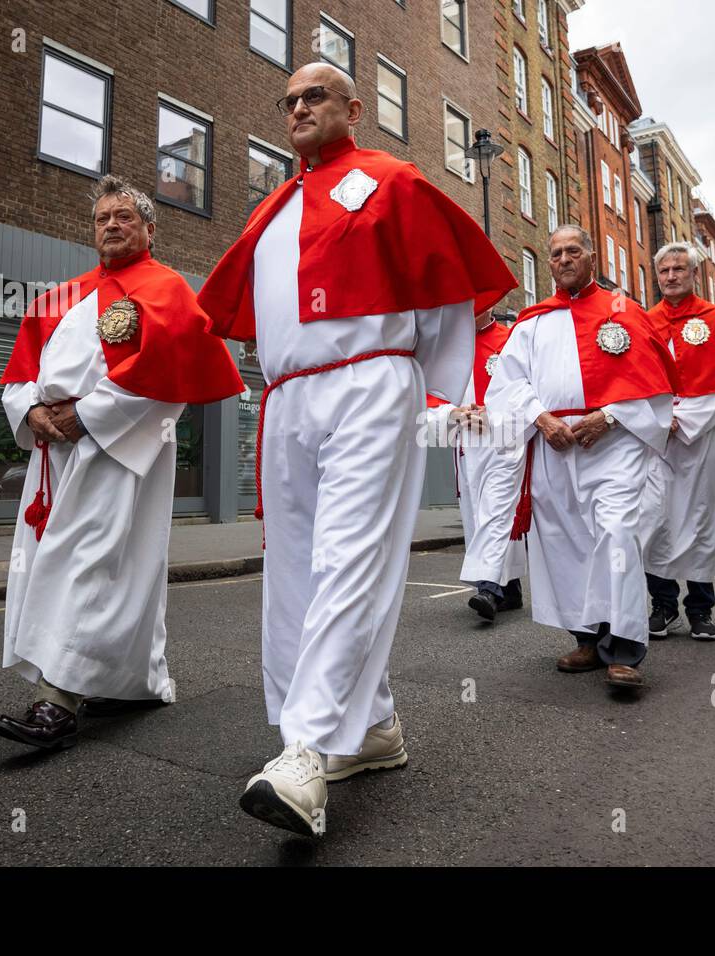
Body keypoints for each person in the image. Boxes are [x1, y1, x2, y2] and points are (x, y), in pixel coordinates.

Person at [198, 63, 516, 835]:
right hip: (288, 398)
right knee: (294, 566)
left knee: (348, 557)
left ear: (353, 108)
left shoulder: (390, 180)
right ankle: (370, 728)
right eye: (290, 101)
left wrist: (429, 389)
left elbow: (448, 295)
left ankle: (304, 749)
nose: (299, 108)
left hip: (371, 382)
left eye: (315, 96)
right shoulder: (272, 210)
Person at [0, 175, 246, 750]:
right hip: (55, 454)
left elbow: (167, 375)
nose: (111, 225)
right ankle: (132, 682)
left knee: (93, 562)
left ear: (149, 228)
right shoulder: (59, 297)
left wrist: (90, 417)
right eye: (103, 217)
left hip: (118, 449)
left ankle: (58, 698)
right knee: (79, 563)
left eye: (124, 217)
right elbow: (18, 374)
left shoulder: (167, 289)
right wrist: (31, 411)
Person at [487, 225, 675, 690]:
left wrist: (608, 417)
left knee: (615, 534)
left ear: (591, 257)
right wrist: (541, 419)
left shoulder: (625, 313)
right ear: (549, 264)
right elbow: (507, 385)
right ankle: (587, 637)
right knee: (565, 541)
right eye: (556, 254)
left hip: (612, 443)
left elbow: (655, 387)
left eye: (574, 251)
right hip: (554, 442)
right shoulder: (531, 323)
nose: (564, 259)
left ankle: (625, 647)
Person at [639, 241, 715, 641]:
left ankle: (701, 609)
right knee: (656, 521)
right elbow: (634, 381)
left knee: (701, 520)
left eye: (678, 269)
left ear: (693, 274)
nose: (671, 277)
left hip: (703, 440)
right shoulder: (643, 322)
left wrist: (681, 420)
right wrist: (656, 421)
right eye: (664, 271)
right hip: (657, 442)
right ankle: (663, 605)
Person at [425, 312, 527, 622]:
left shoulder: (511, 341)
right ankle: (509, 590)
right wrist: (454, 414)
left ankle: (489, 589)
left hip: (502, 443)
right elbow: (430, 399)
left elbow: (527, 391)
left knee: (494, 513)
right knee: (476, 515)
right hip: (467, 446)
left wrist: (494, 416)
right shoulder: (449, 349)